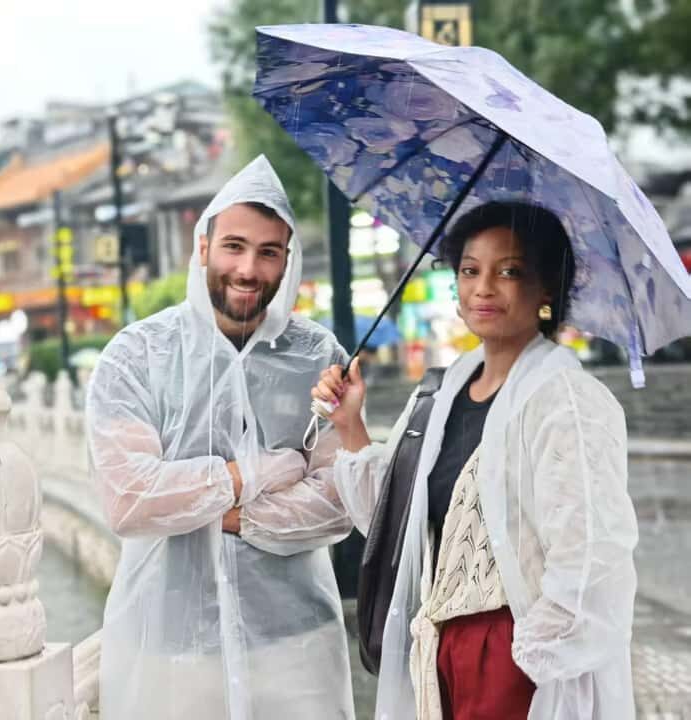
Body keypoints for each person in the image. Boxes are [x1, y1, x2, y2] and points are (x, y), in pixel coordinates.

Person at [312, 201, 638, 720]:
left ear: (547, 289)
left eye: (509, 271)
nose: (483, 287)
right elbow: (399, 517)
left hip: (513, 659)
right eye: (469, 269)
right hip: (441, 654)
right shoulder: (443, 394)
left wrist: (531, 659)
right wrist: (350, 424)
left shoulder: (567, 401)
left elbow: (592, 553)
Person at [86, 155, 356, 720]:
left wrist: (223, 514)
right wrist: (258, 474)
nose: (249, 269)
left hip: (294, 646)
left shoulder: (320, 358)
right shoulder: (138, 357)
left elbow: (338, 502)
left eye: (268, 252)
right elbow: (131, 500)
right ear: (203, 246)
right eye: (234, 246)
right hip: (170, 648)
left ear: (287, 261)